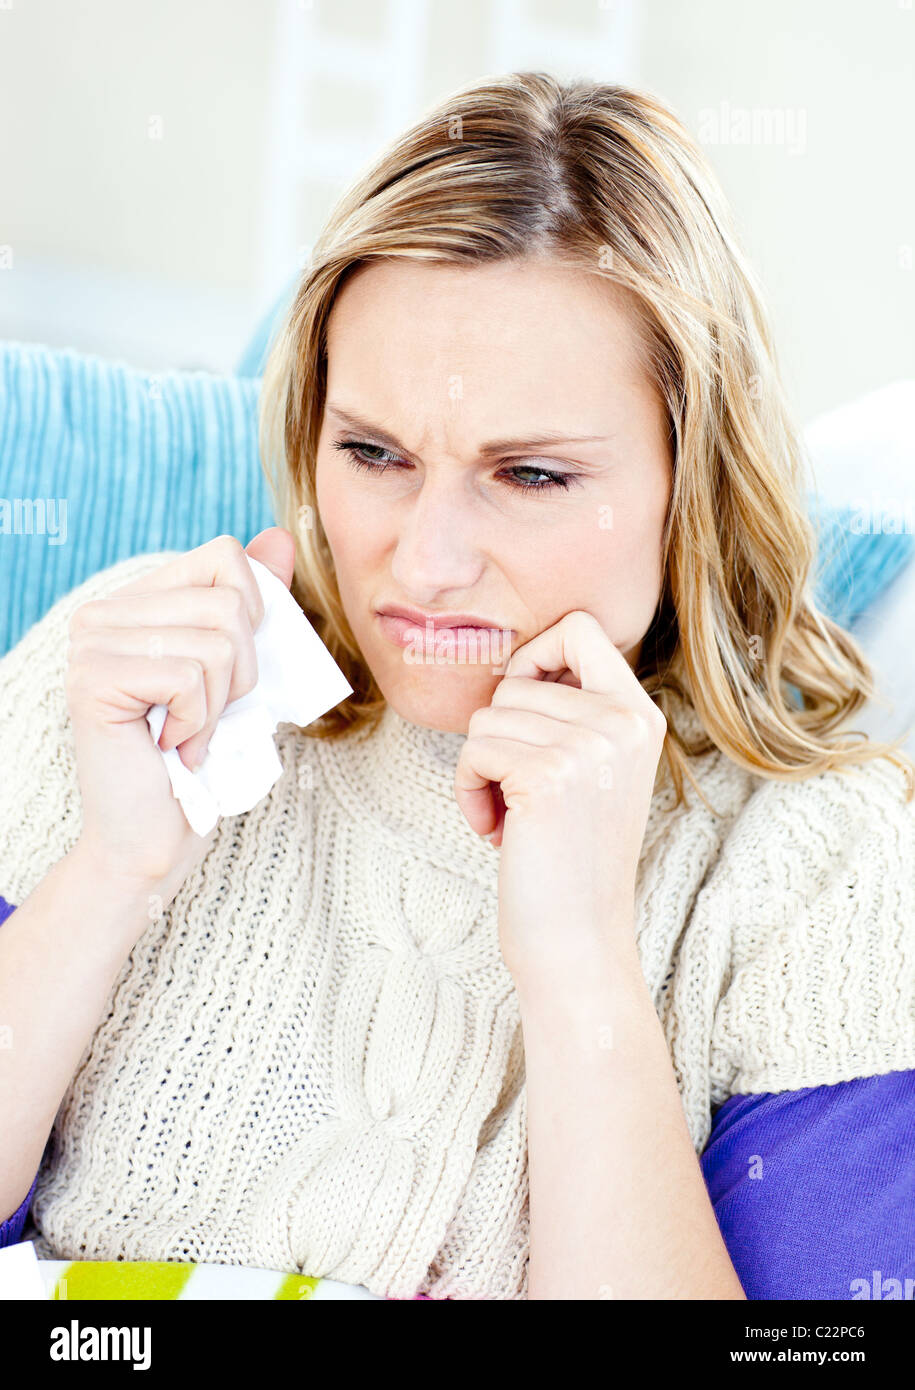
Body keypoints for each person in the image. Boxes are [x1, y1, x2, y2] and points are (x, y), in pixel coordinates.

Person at [1, 71, 914, 1301]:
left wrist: (581, 959)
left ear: (690, 482)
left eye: (529, 475)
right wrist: (110, 869)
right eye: (373, 453)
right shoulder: (134, 679)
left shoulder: (827, 869)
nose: (425, 563)